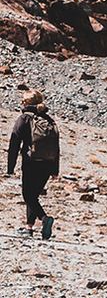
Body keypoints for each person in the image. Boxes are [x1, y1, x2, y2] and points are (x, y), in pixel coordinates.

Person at [6, 90, 60, 240]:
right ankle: (29, 228)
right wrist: (55, 169)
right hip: (48, 163)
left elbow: (14, 143)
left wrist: (10, 168)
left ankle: (44, 219)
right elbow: (56, 145)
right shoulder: (48, 119)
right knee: (33, 196)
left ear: (26, 103)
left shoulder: (24, 119)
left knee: (28, 195)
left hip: (31, 163)